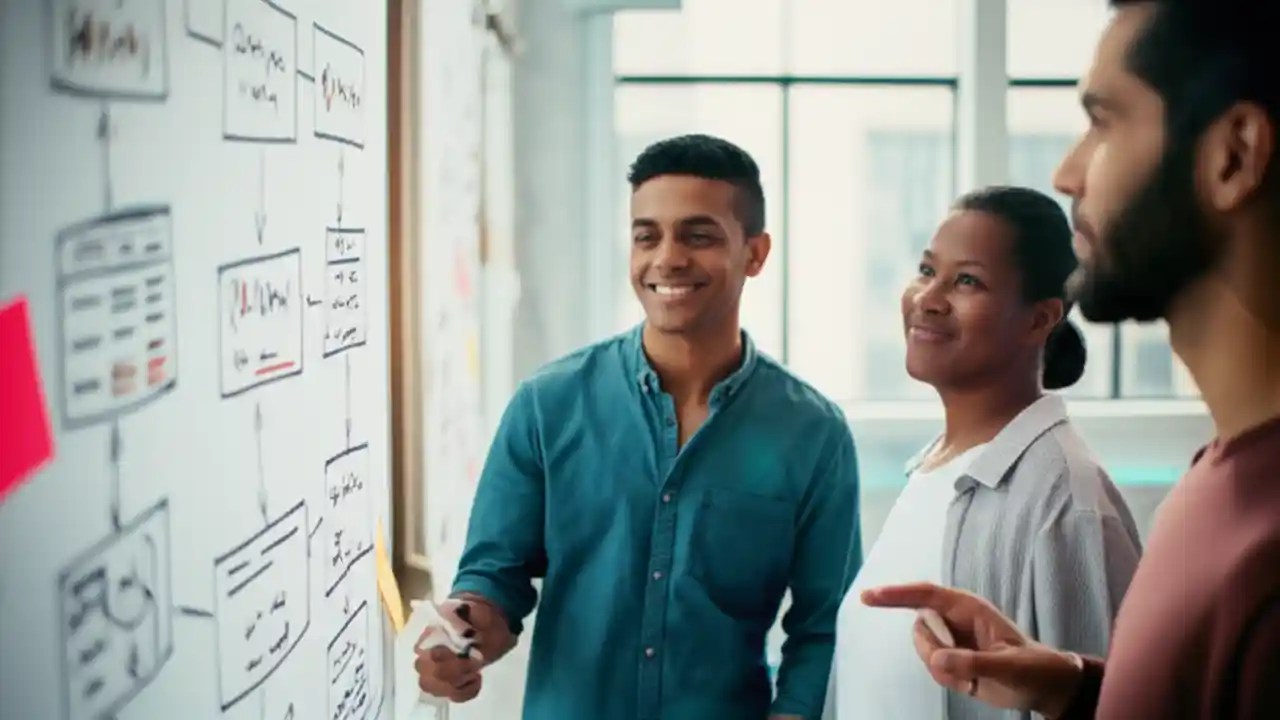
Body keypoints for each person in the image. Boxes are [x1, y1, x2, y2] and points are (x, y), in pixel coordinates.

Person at [862, 1, 1280, 718]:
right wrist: (1073, 687)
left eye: (1104, 122)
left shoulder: (1264, 552)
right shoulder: (1216, 481)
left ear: (1233, 155)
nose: (1067, 172)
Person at [414, 133, 862, 720]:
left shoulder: (813, 434)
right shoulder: (547, 405)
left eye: (698, 236)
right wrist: (460, 641)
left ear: (755, 253)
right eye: (646, 235)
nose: (667, 258)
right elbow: (493, 582)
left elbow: (824, 625)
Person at [825, 187, 1142, 720]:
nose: (928, 297)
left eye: (967, 280)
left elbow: (1108, 702)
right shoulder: (937, 469)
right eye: (927, 270)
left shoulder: (1066, 499)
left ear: (1040, 319)